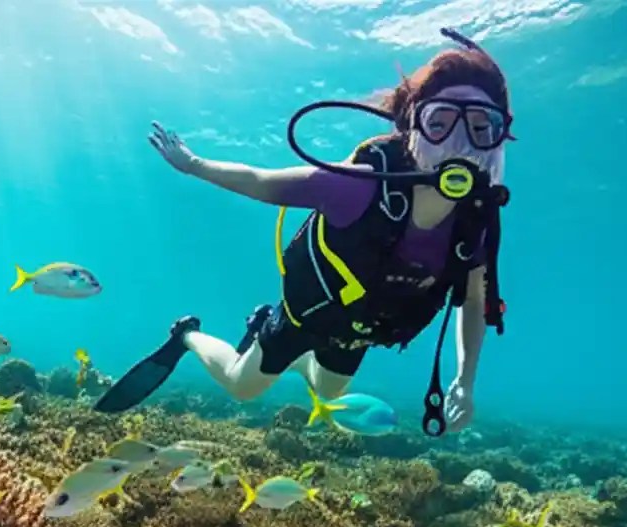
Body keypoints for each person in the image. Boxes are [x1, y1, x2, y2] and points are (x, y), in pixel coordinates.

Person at [95, 27, 514, 436]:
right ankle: (187, 335)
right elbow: (261, 181)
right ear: (412, 130)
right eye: (440, 122)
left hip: (360, 334)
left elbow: (475, 300)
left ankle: (295, 360)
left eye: (481, 127)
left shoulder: (474, 223)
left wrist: (466, 377)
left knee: (326, 392)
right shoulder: (359, 186)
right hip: (304, 317)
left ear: (498, 143)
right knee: (243, 388)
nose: (460, 144)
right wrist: (194, 165)